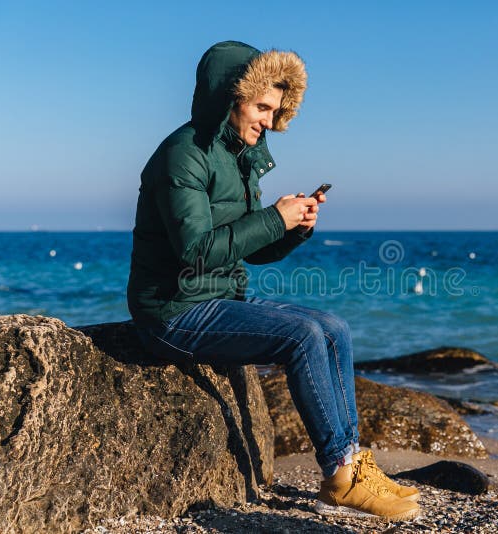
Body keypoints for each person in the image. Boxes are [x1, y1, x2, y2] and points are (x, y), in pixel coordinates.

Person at [126, 41, 421, 521]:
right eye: (262, 107)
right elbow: (196, 253)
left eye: (275, 111)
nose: (268, 121)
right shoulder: (183, 155)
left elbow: (248, 248)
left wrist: (292, 228)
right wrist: (272, 218)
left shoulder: (240, 153)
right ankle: (339, 476)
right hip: (173, 310)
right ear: (230, 96)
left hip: (220, 297)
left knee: (332, 327)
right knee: (301, 336)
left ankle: (351, 463)